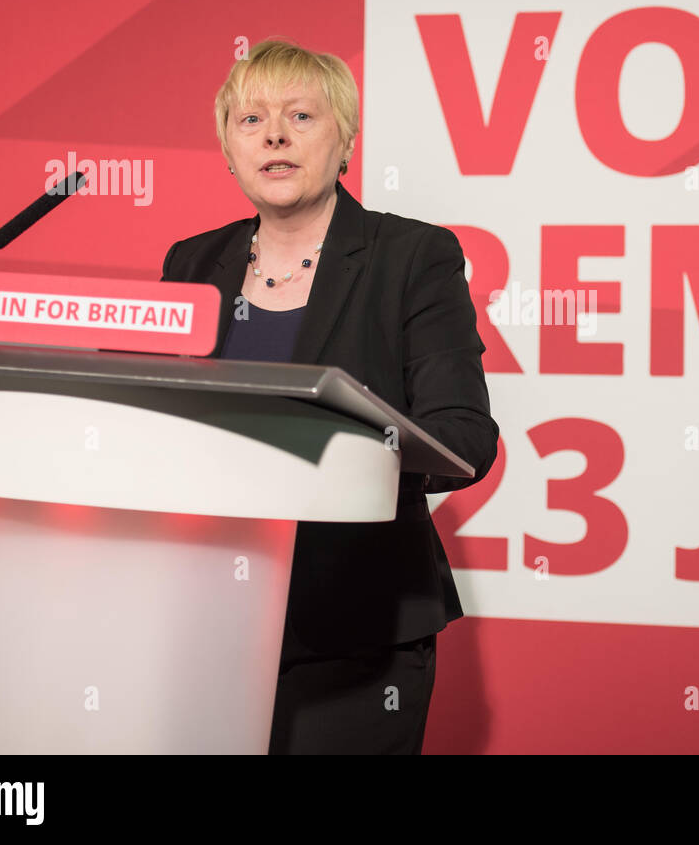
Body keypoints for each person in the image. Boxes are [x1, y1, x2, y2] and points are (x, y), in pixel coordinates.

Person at [160, 39, 498, 753]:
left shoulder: (413, 257)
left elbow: (463, 436)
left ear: (344, 141)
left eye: (301, 116)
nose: (274, 135)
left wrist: (332, 443)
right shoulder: (191, 262)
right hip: (205, 617)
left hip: (356, 629)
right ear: (227, 148)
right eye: (250, 120)